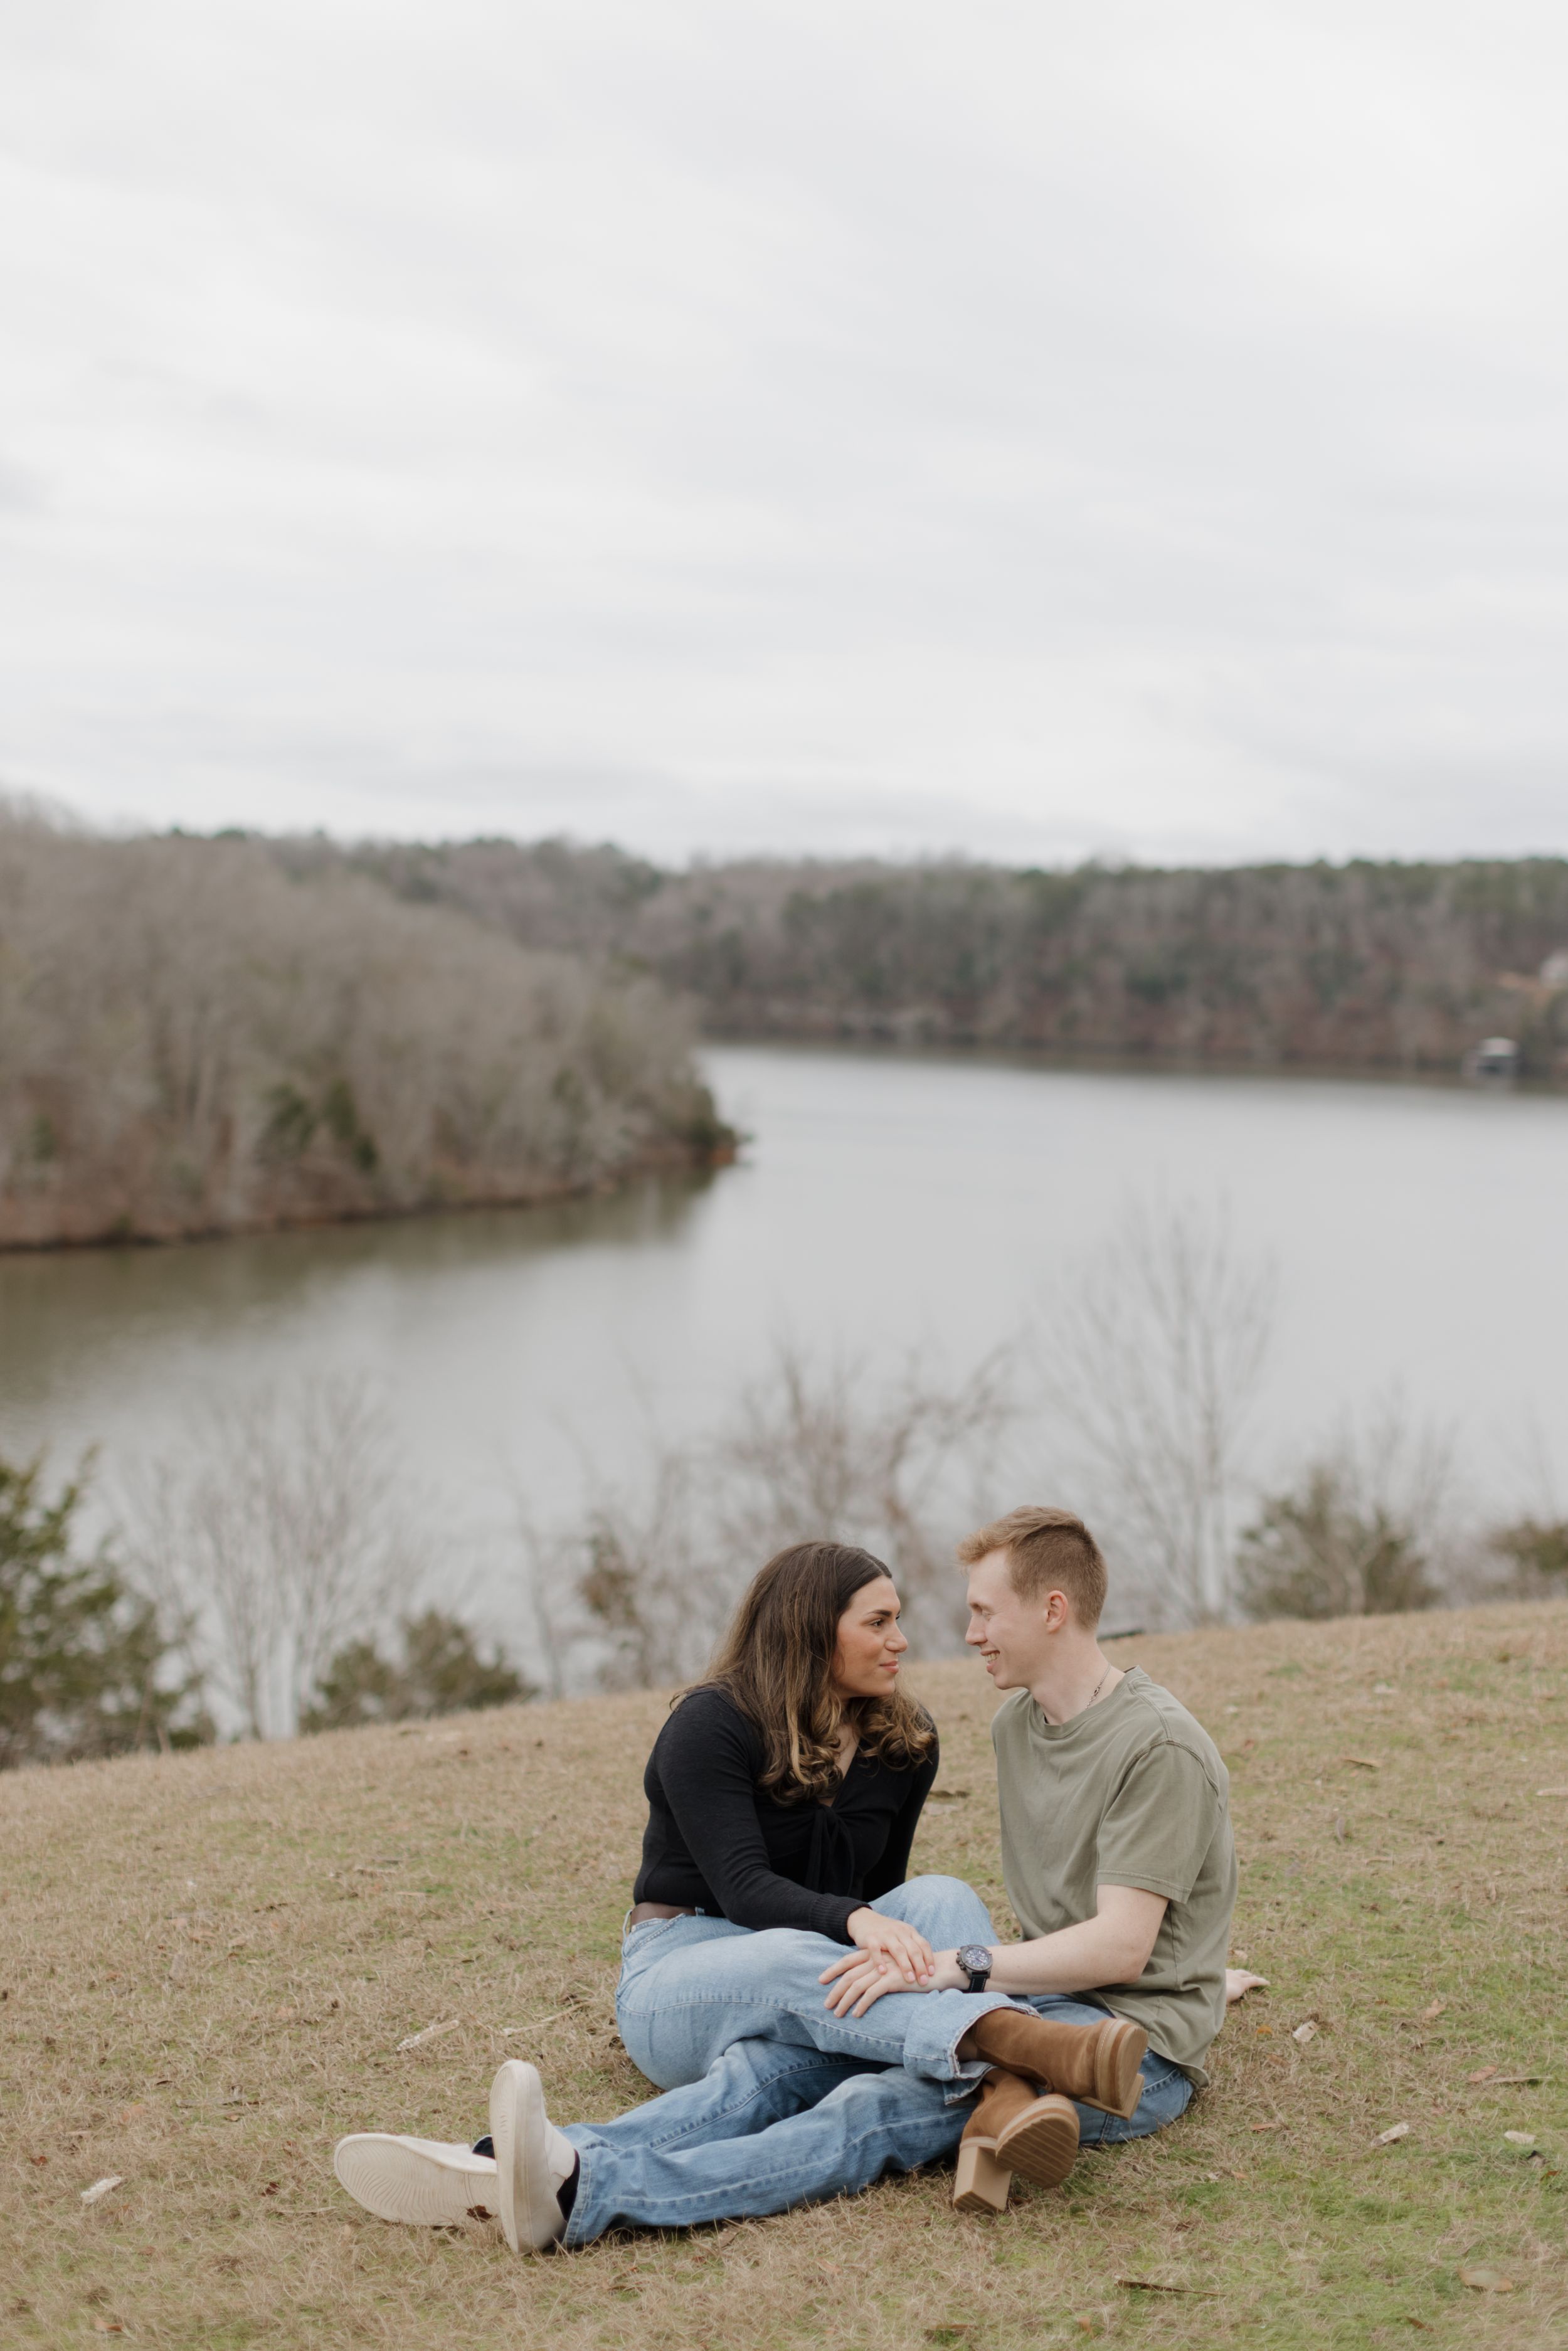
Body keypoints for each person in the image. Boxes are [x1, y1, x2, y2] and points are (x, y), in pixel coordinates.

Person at [336, 1508, 1238, 2245]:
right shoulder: (1004, 1727)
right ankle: (1011, 2054)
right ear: (816, 1629)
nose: (949, 1638)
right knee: (824, 1995)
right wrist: (931, 1963)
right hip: (728, 1959)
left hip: (1128, 2047)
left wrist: (954, 1962)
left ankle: (568, 2179)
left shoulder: (1114, 1744)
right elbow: (757, 1890)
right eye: (883, 1621)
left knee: (853, 2079)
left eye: (980, 1614)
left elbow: (1119, 1941)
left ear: (1049, 1610)